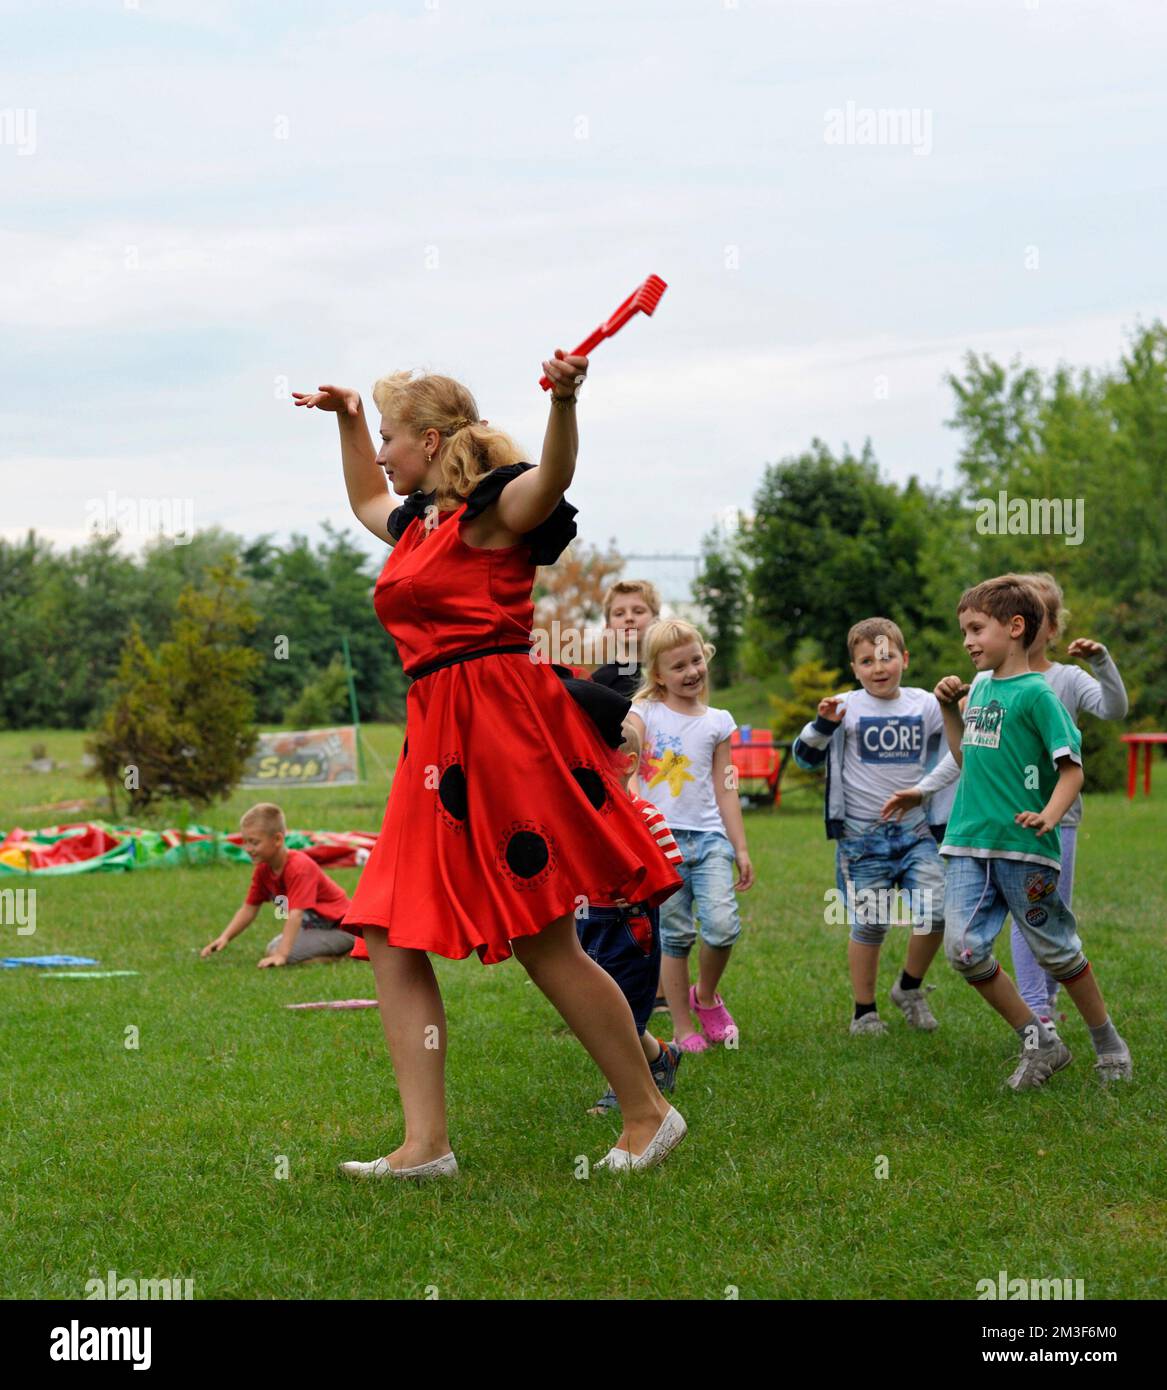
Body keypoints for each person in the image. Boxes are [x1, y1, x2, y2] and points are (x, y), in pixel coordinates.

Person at [291, 351, 687, 1177]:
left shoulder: (493, 509)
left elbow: (551, 478)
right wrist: (350, 417)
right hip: (432, 737)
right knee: (390, 935)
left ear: (431, 441)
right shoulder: (415, 525)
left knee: (546, 942)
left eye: (393, 439)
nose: (385, 457)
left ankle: (648, 1113)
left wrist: (566, 401)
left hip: (497, 733)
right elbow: (365, 496)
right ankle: (424, 1145)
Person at [890, 572, 1128, 1033]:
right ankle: (1038, 1035)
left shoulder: (1043, 692)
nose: (967, 642)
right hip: (968, 841)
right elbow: (966, 759)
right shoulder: (978, 689)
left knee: (1053, 947)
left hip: (1025, 843)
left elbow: (1072, 771)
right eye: (965, 631)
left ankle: (1106, 1039)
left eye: (976, 630)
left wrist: (1048, 815)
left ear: (1016, 627)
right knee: (964, 950)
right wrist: (946, 713)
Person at [792, 618, 948, 1035]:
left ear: (904, 658)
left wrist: (959, 702)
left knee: (936, 913)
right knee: (872, 921)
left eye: (887, 657)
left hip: (917, 833)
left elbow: (957, 741)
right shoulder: (845, 707)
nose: (879, 668)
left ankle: (910, 988)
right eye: (867, 661)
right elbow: (804, 758)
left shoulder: (925, 704)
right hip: (862, 840)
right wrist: (823, 724)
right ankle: (865, 1011)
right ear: (854, 668)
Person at [625, 619, 754, 1053]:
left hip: (710, 839)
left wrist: (740, 846)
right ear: (658, 674)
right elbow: (629, 751)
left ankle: (705, 997)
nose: (691, 672)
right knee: (675, 936)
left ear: (706, 656)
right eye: (678, 666)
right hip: (662, 842)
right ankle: (682, 1025)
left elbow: (726, 785)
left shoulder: (719, 721)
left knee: (722, 927)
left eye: (696, 660)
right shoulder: (646, 712)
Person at [576, 722, 684, 1114]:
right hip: (586, 926)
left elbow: (670, 867)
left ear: (627, 764)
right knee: (596, 1009)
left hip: (631, 930)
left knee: (620, 1015)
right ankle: (663, 1057)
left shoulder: (644, 816)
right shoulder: (580, 816)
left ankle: (621, 1091)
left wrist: (630, 888)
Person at [200, 803, 355, 966]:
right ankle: (325, 953)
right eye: (245, 842)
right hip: (315, 928)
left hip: (342, 928)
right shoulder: (263, 869)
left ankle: (347, 953)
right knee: (272, 949)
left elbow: (296, 914)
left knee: (288, 956)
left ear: (277, 840)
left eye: (254, 842)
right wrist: (225, 937)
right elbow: (249, 908)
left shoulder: (299, 867)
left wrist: (282, 955)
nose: (247, 848)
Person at [590, 579, 662, 698]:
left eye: (638, 611)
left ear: (656, 621)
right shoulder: (597, 683)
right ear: (608, 627)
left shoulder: (670, 673)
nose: (629, 618)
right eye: (619, 614)